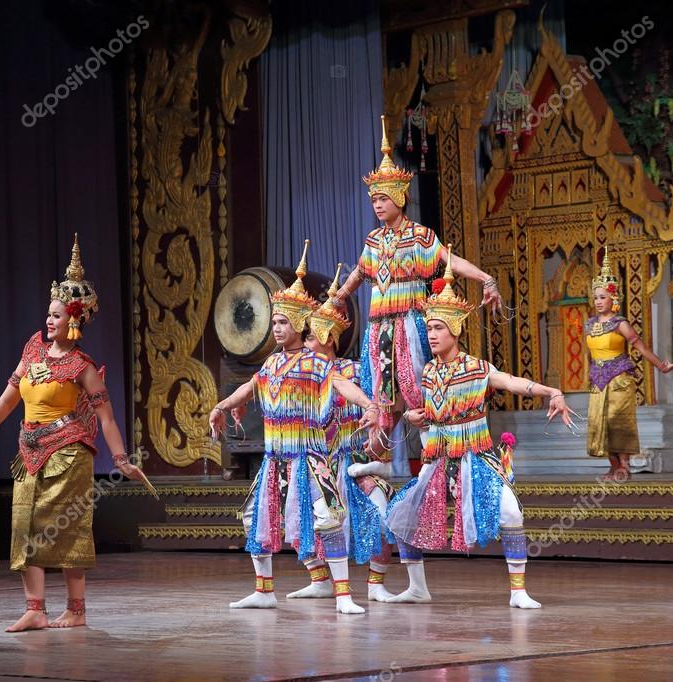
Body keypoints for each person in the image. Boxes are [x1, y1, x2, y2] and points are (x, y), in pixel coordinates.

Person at [0, 235, 143, 631]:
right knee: (24, 525)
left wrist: (121, 459)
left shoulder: (82, 366)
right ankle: (35, 609)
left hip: (69, 452)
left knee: (67, 527)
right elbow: (8, 399)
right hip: (28, 450)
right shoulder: (31, 351)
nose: (48, 321)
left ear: (73, 320)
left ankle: (76, 610)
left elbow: (106, 418)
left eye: (56, 315)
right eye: (48, 314)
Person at [386, 253, 574, 608]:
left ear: (455, 329)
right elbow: (432, 412)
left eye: (438, 328)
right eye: (429, 328)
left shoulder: (477, 368)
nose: (432, 334)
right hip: (439, 461)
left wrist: (552, 391)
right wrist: (415, 416)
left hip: (477, 458)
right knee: (400, 516)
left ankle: (518, 592)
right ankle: (417, 587)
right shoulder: (427, 373)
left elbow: (513, 382)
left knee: (511, 513)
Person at [209, 241, 380, 615]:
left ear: (300, 324)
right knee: (255, 517)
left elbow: (341, 385)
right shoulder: (271, 365)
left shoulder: (314, 363)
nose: (277, 328)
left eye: (283, 322)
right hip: (275, 457)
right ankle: (264, 590)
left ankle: (343, 595)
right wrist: (222, 405)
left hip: (310, 457)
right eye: (274, 322)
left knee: (327, 516)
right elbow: (248, 388)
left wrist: (369, 405)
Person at [331, 116, 502, 473]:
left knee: (419, 391)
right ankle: (373, 462)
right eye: (373, 200)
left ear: (398, 197)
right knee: (382, 395)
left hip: (410, 325)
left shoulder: (420, 237)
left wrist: (485, 277)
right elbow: (359, 276)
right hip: (379, 329)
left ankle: (435, 461)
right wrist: (339, 297)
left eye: (383, 199)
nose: (377, 206)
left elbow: (449, 260)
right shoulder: (373, 241)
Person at [286, 265, 397, 603]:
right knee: (299, 516)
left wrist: (378, 413)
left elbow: (383, 403)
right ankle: (319, 579)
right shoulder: (302, 376)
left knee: (379, 517)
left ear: (329, 339)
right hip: (318, 459)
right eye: (304, 336)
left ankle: (376, 585)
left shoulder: (355, 372)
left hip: (356, 458)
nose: (305, 342)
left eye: (310, 336)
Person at [587, 256, 673, 480]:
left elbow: (640, 347)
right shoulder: (589, 325)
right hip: (598, 379)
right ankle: (612, 466)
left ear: (614, 298)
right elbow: (590, 355)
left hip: (620, 378)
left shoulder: (620, 323)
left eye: (603, 297)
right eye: (596, 297)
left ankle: (624, 464)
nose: (599, 301)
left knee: (619, 421)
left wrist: (662, 365)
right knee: (600, 423)